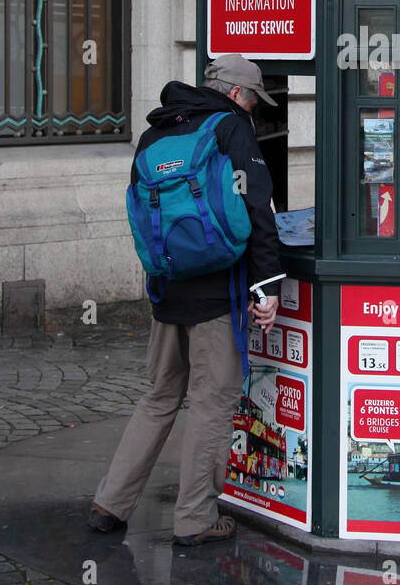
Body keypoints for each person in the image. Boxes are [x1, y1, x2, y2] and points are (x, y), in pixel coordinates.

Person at [89, 56, 283, 546]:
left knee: (157, 398)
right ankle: (195, 520)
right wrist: (269, 287)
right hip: (218, 295)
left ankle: (110, 504)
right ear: (238, 94)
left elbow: (145, 215)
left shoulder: (155, 134)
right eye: (254, 102)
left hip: (168, 293)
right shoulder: (230, 129)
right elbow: (258, 209)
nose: (255, 112)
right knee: (210, 405)